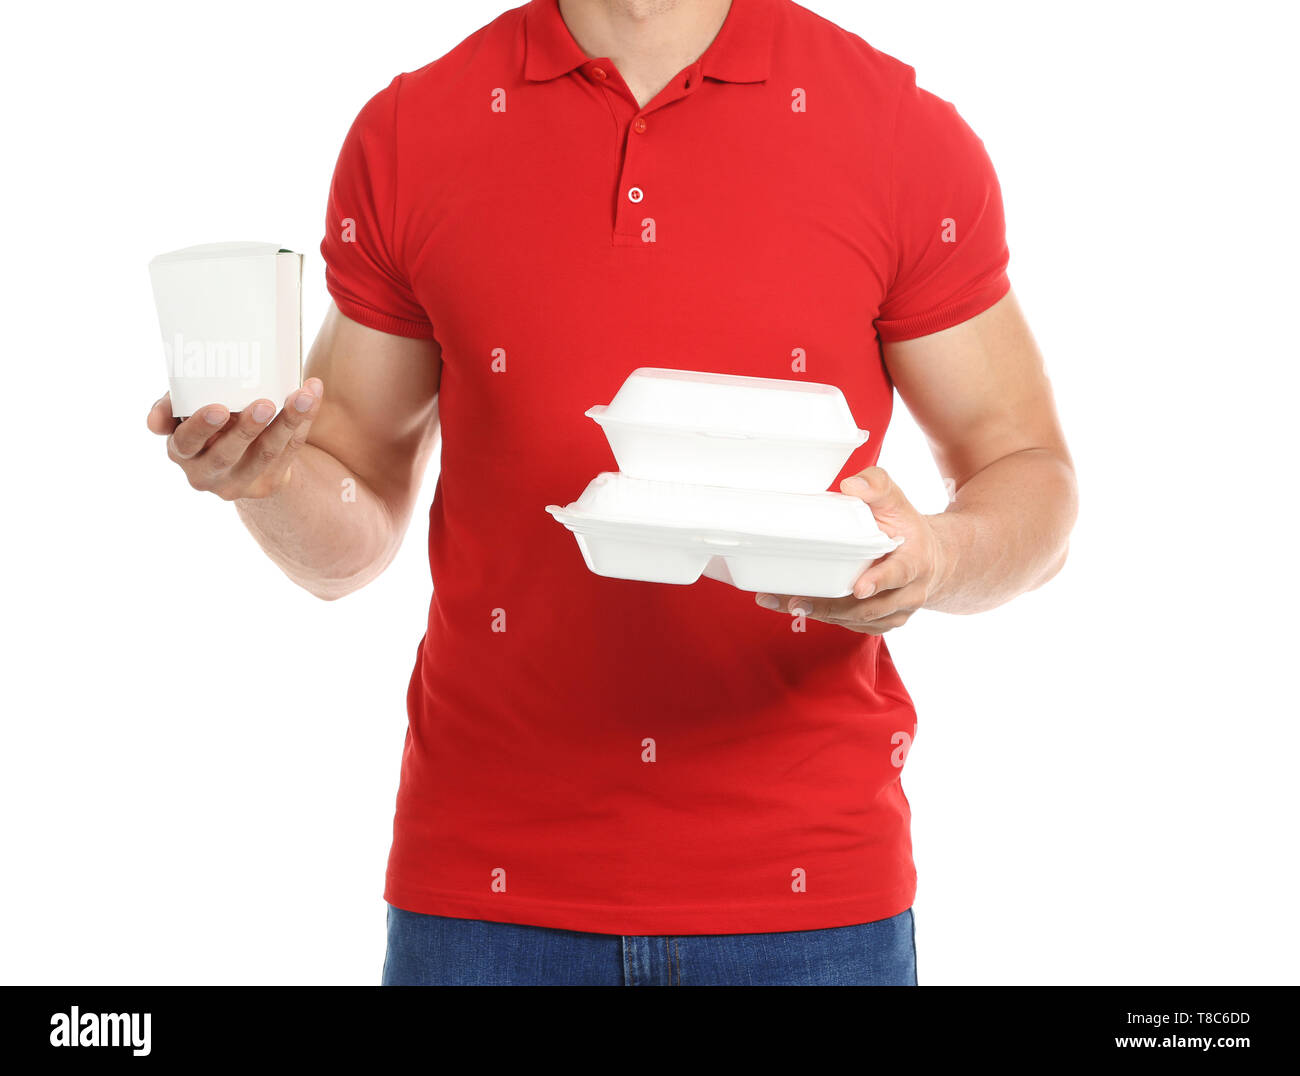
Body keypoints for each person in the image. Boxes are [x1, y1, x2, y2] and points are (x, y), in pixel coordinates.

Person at [146, 0, 1077, 986]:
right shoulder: (414, 132)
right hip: (482, 899)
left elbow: (1028, 474)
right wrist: (270, 476)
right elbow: (352, 526)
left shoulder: (898, 132)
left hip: (808, 901)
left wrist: (937, 558)